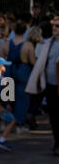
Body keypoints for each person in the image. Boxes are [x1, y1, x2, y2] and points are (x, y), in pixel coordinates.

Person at [24, 15, 59, 155]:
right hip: (50, 85)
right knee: (54, 116)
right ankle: (57, 142)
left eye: (57, 26)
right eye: (53, 26)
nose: (54, 28)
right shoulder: (48, 43)